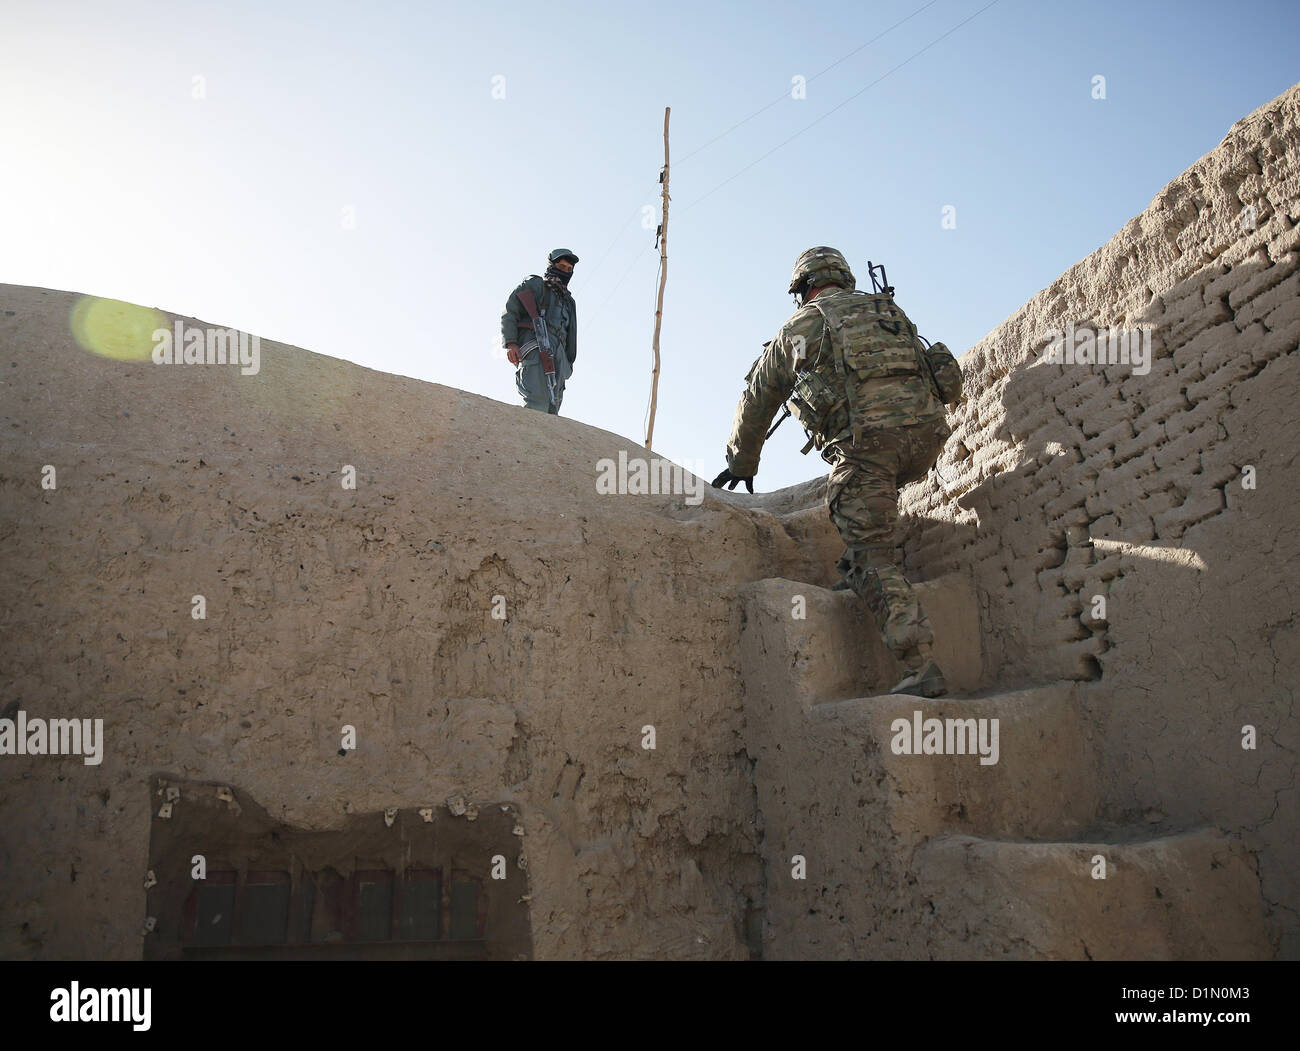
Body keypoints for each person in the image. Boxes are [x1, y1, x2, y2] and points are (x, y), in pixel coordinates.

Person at [713, 247, 964, 698]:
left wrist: (742, 461)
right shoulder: (888, 311)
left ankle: (918, 662)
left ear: (803, 288)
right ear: (844, 278)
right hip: (925, 440)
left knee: (873, 551)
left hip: (869, 446)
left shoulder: (807, 323)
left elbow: (760, 395)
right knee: (861, 519)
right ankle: (854, 566)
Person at [501, 249, 579, 414]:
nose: (565, 271)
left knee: (553, 409)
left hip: (559, 356)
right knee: (537, 403)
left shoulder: (569, 301)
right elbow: (511, 311)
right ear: (551, 265)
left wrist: (567, 364)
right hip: (535, 346)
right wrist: (511, 342)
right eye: (561, 266)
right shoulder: (536, 285)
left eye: (568, 269)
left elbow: (570, 336)